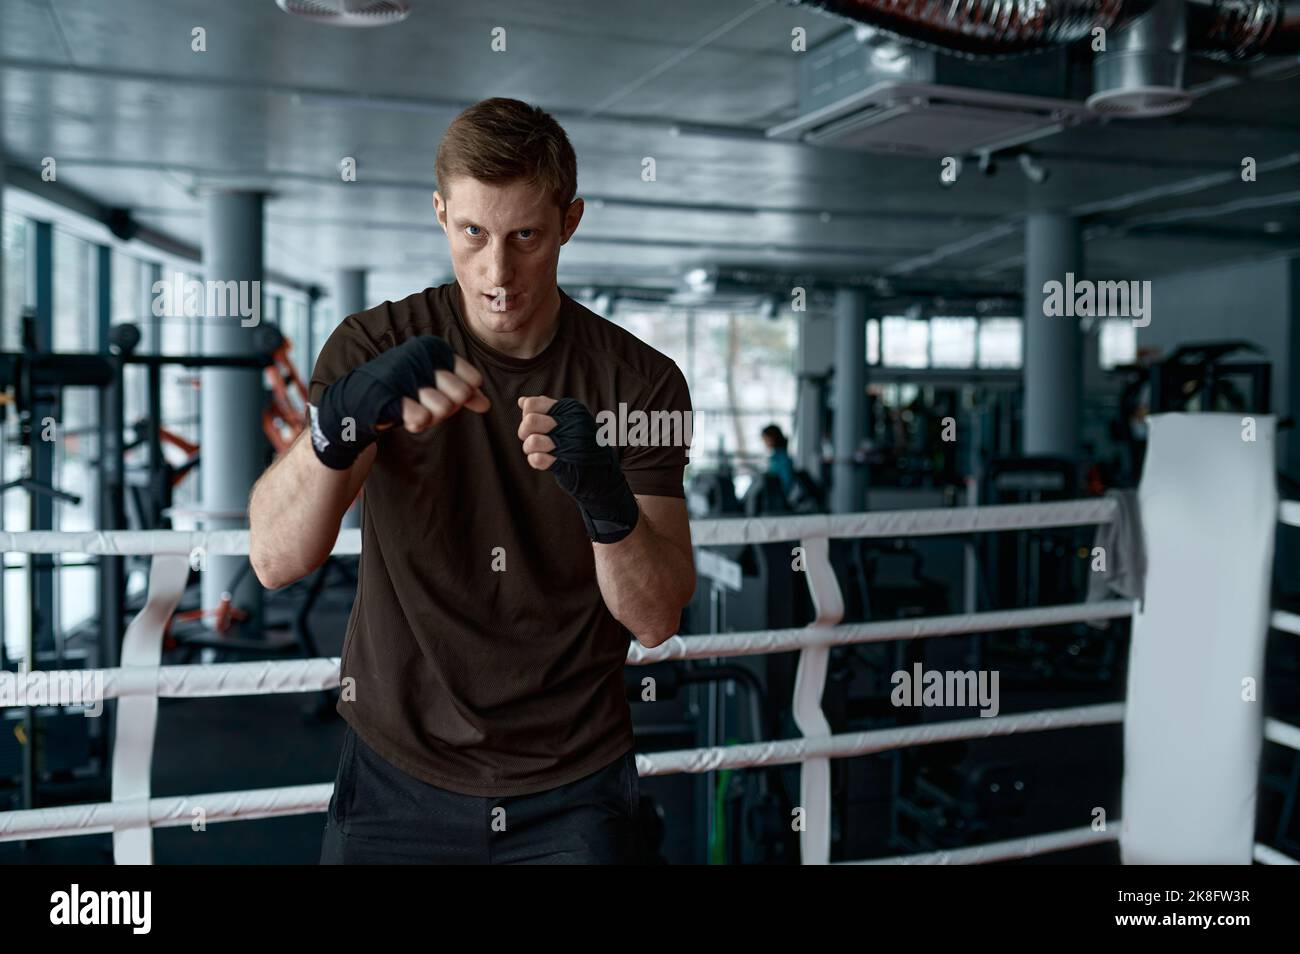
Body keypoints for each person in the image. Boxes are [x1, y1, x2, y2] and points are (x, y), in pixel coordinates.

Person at [248, 97, 696, 864]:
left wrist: (606, 501)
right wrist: (337, 428)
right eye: (474, 233)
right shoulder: (374, 343)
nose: (498, 271)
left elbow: (654, 619)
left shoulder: (640, 383)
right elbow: (274, 560)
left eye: (526, 234)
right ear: (441, 214)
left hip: (574, 784)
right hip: (397, 775)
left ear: (570, 221)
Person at [761, 424, 795, 497]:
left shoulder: (782, 458)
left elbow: (786, 483)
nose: (764, 442)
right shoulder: (776, 457)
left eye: (766, 439)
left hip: (778, 496)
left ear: (773, 438)